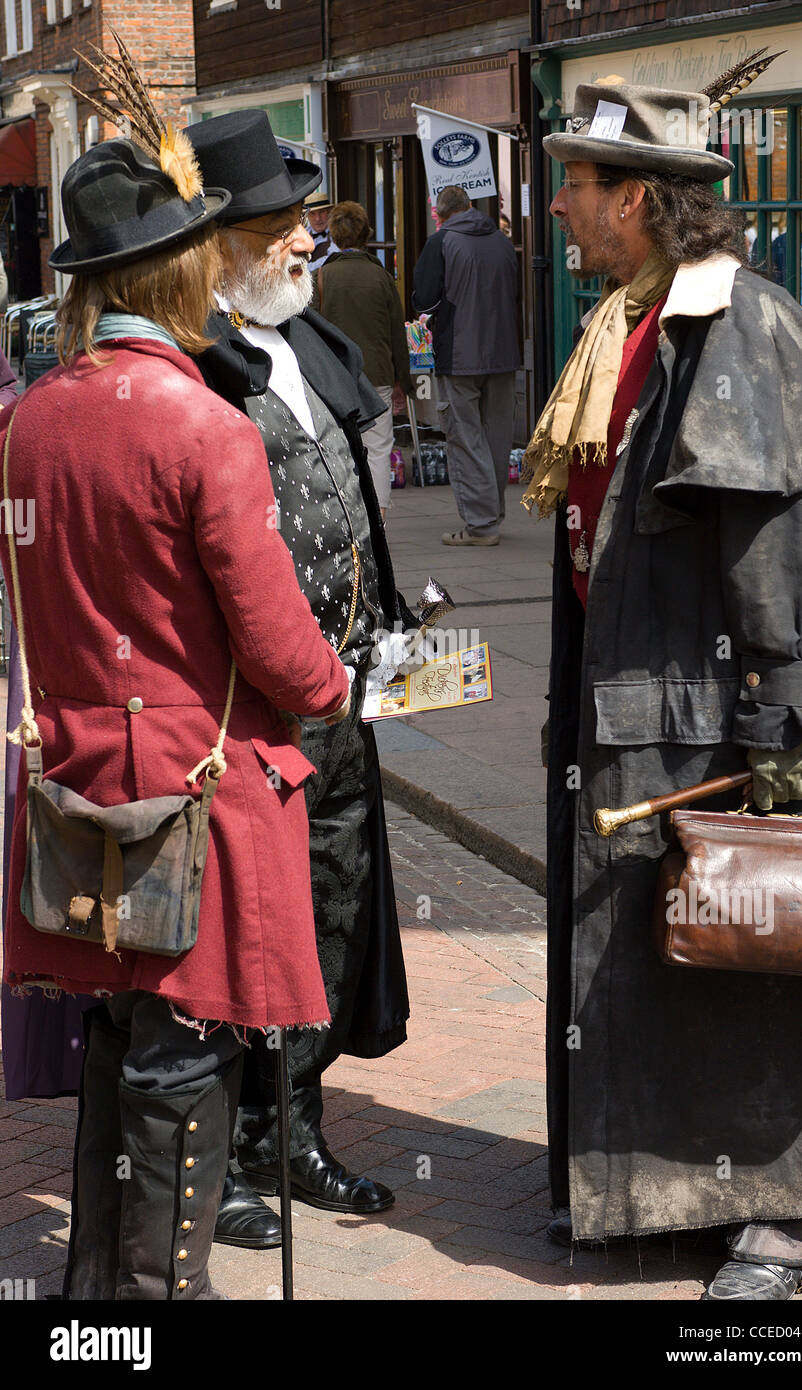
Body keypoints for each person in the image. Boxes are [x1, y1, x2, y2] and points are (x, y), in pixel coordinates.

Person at [0, 132, 351, 1300]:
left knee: (117, 1032)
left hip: (80, 775)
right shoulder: (202, 423)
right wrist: (334, 687)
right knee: (183, 1049)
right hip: (195, 790)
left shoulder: (35, 415)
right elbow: (277, 641)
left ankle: (99, 1293)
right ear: (168, 274)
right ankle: (159, 1299)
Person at [526, 77, 802, 1301]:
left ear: (641, 200)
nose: (558, 205)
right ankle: (652, 1186)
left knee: (750, 945)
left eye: (577, 184)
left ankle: (784, 1220)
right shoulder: (630, 318)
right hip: (631, 709)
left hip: (716, 717)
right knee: (650, 962)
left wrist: (787, 728)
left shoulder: (739, 325)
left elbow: (783, 539)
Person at [186, 110, 411, 1246]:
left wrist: (395, 622)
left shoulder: (309, 340)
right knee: (238, 927)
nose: (303, 245)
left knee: (329, 907)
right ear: (222, 243)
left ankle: (294, 1136)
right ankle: (218, 1155)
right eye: (281, 227)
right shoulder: (190, 359)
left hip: (341, 698)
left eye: (306, 223)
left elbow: (354, 499)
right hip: (242, 708)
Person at [412, 184, 520, 546]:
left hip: (460, 355)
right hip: (504, 353)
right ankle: (492, 515)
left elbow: (424, 299)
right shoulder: (503, 241)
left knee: (466, 438)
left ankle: (480, 524)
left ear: (439, 214)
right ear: (470, 206)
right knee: (496, 438)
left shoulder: (441, 243)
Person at [317, 200, 416, 517]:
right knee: (378, 448)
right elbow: (396, 335)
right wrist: (405, 381)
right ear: (366, 234)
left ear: (334, 234)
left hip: (336, 376)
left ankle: (348, 514)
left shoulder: (322, 277)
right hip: (379, 375)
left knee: (341, 446)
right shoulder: (383, 278)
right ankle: (379, 519)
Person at [305, 190, 338, 268]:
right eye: (312, 214)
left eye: (321, 212)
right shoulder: (302, 235)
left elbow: (332, 259)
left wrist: (305, 269)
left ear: (329, 212)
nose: (317, 218)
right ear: (306, 216)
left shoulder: (337, 233)